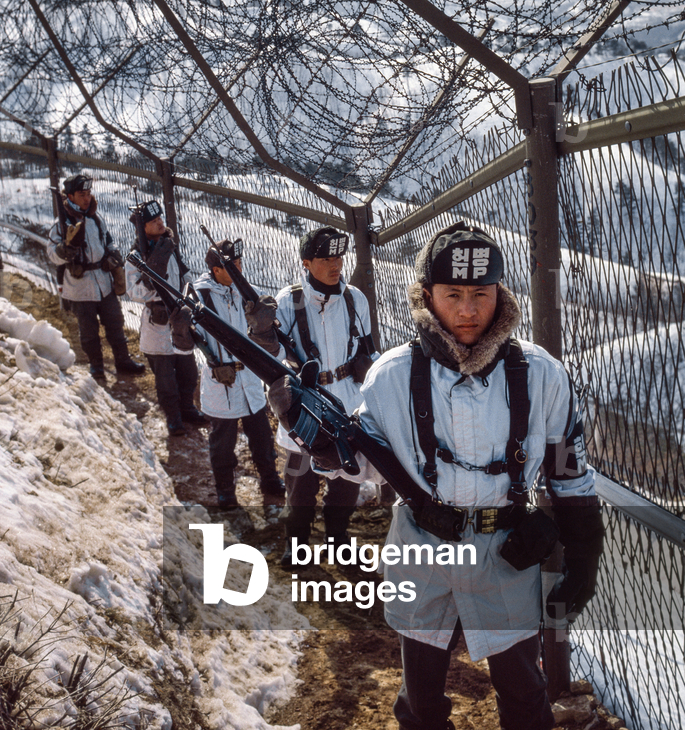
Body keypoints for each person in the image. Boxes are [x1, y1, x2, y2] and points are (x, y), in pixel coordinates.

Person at [270, 221, 604, 730]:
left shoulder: (542, 375)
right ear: (428, 296)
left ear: (500, 293)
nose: (468, 310)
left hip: (505, 549)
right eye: (453, 295)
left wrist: (583, 556)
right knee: (420, 699)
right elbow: (364, 465)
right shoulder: (393, 374)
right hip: (422, 545)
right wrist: (313, 435)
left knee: (522, 691)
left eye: (480, 294)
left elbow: (569, 474)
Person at [274, 225, 378, 568]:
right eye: (326, 258)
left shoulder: (354, 298)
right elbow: (272, 357)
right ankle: (297, 542)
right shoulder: (288, 301)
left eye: (339, 256)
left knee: (347, 479)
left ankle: (337, 540)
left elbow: (366, 348)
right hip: (304, 402)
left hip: (347, 399)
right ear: (307, 262)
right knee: (300, 481)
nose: (337, 264)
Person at [186, 238, 285, 509]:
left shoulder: (244, 292)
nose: (239, 270)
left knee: (262, 437)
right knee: (222, 443)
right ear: (216, 270)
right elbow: (185, 341)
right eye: (233, 265)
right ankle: (225, 491)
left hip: (250, 378)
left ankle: (270, 478)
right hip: (222, 379)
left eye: (240, 264)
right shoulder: (200, 296)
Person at [47, 173, 144, 385]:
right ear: (70, 196)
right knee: (89, 332)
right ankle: (97, 366)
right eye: (82, 194)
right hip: (80, 288)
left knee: (115, 323)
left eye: (89, 193)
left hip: (104, 283)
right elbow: (52, 254)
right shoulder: (61, 225)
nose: (87, 198)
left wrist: (113, 255)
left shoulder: (96, 219)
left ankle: (123, 360)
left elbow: (108, 241)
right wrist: (65, 249)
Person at [125, 199, 208, 436]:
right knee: (165, 379)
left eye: (160, 218)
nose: (160, 223)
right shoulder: (136, 257)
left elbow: (184, 275)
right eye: (153, 221)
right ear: (143, 228)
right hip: (158, 323)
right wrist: (153, 273)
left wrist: (191, 295)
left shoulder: (168, 246)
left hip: (180, 320)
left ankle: (187, 408)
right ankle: (173, 417)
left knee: (188, 371)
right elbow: (134, 292)